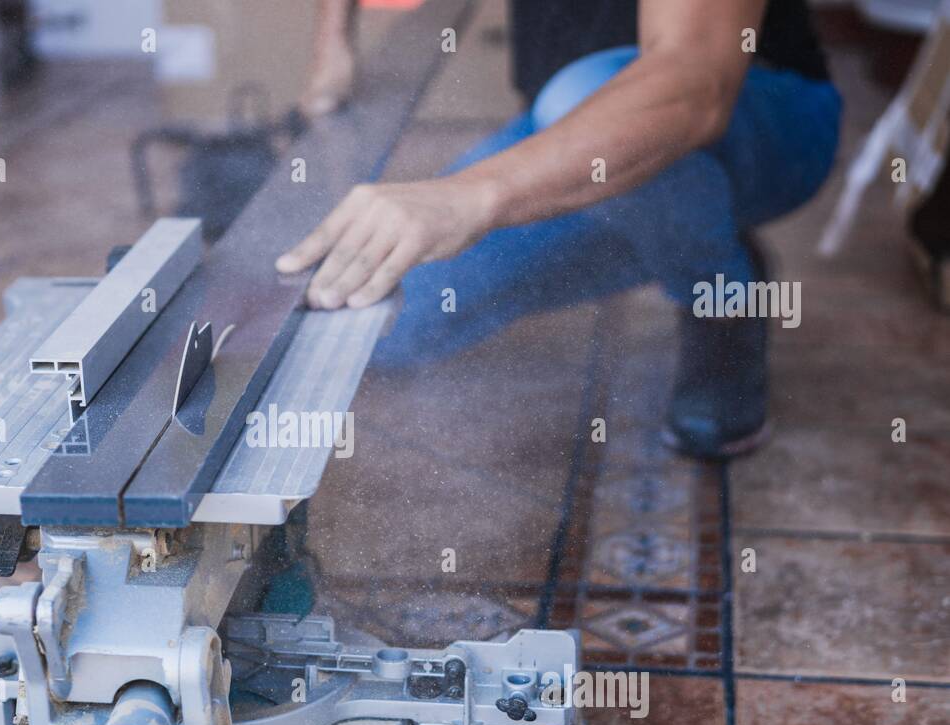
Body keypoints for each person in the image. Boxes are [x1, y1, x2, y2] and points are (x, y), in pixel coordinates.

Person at [275, 0, 841, 459]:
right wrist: (333, 48)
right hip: (573, 134)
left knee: (583, 92)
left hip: (762, 116)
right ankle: (689, 225)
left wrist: (470, 198)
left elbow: (693, 83)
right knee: (387, 324)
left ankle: (722, 296)